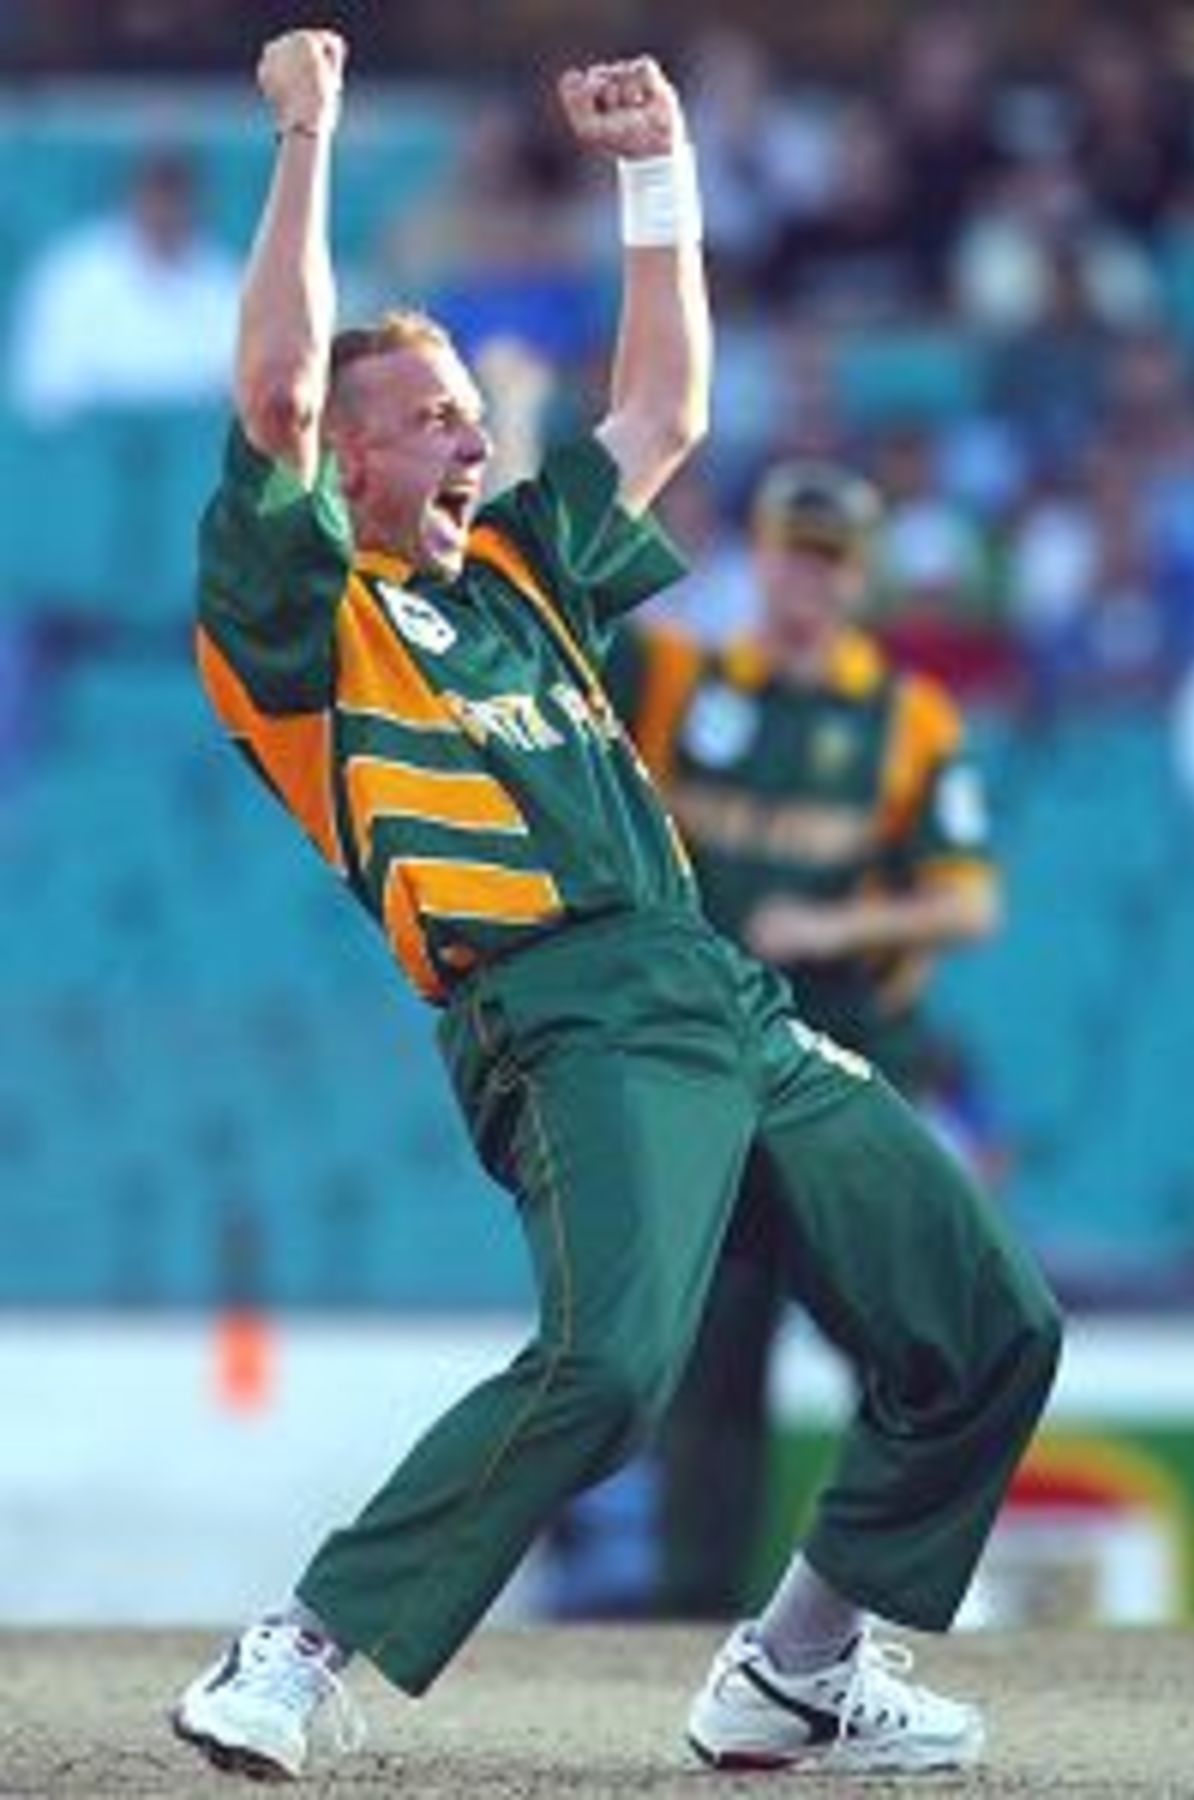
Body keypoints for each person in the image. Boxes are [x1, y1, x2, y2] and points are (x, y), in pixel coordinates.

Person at [171, 29, 1061, 1784]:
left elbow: (665, 415)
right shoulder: (300, 618)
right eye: (427, 416)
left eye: (468, 411)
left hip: (715, 990)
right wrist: (306, 138)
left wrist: (663, 179)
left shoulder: (518, 571)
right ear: (344, 465)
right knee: (611, 1372)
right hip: (557, 1007)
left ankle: (795, 1669)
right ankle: (293, 1649)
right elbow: (273, 389)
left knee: (991, 1326)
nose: (469, 433)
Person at [600, 459, 1002, 1617]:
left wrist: (834, 919)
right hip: (711, 1076)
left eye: (830, 559)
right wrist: (521, 427)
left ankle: (889, 1586)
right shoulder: (683, 681)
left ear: (860, 574)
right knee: (715, 1353)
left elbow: (968, 901)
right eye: (790, 550)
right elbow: (539, 614)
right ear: (757, 552)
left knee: (899, 1328)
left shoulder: (907, 719)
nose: (805, 579)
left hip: (848, 1070)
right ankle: (696, 1611)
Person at [6, 147, 238, 423]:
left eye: (175, 194)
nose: (165, 209)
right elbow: (39, 399)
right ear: (133, 194)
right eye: (156, 192)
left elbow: (237, 410)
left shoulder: (229, 286)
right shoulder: (71, 276)